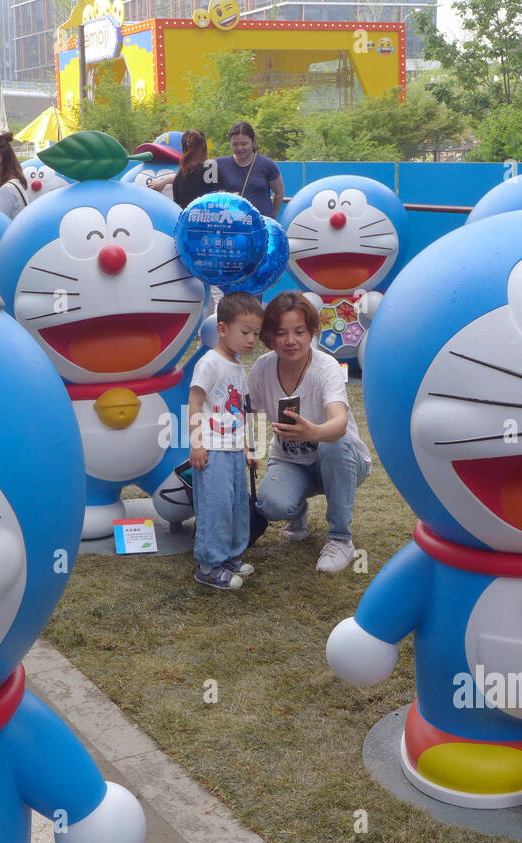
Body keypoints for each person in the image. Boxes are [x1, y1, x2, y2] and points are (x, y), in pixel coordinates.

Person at [248, 291, 371, 573]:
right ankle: (296, 508)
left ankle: (341, 539)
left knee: (333, 443)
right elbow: (246, 411)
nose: (291, 341)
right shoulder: (263, 367)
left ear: (312, 331)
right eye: (281, 333)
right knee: (270, 505)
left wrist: (312, 432)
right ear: (268, 335)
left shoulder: (325, 366)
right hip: (291, 461)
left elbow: (338, 423)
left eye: (299, 331)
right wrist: (246, 446)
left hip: (344, 460)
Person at [189, 291, 262, 590]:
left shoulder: (236, 365)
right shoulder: (209, 363)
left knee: (236, 506)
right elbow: (194, 403)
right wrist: (197, 443)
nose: (251, 340)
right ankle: (208, 565)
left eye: (256, 334)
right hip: (212, 450)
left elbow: (241, 411)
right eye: (245, 332)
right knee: (215, 506)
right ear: (222, 329)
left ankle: (231, 556)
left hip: (232, 450)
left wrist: (247, 448)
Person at [214, 122, 284, 219]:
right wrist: (224, 197)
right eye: (235, 144)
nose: (239, 148)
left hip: (260, 224)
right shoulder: (219, 164)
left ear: (253, 141)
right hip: (231, 225)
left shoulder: (267, 164)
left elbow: (279, 192)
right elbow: (208, 193)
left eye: (244, 144)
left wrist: (272, 218)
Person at [147, 129, 220, 209]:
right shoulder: (211, 167)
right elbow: (219, 196)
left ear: (183, 148)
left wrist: (164, 181)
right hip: (209, 217)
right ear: (204, 147)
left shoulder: (180, 177)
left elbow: (178, 207)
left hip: (188, 219)